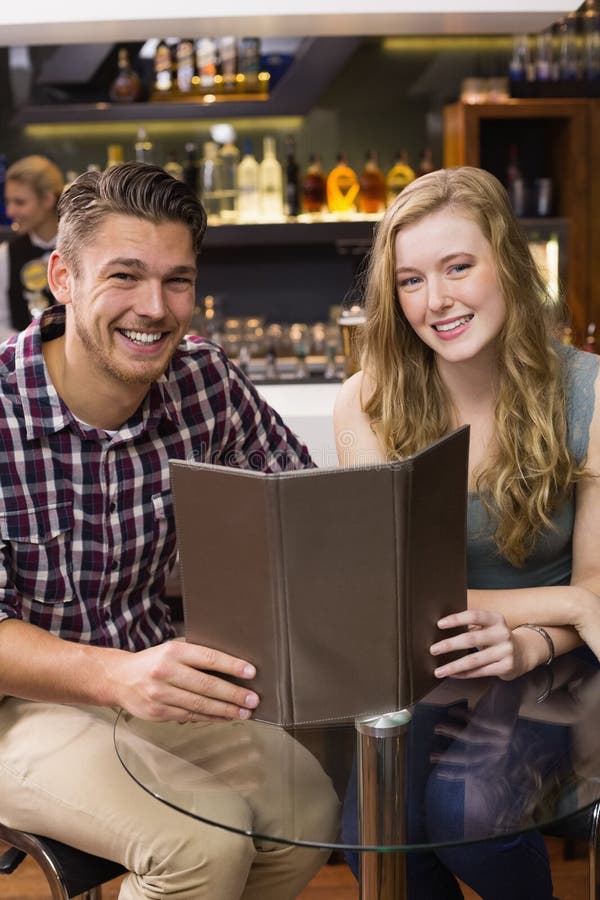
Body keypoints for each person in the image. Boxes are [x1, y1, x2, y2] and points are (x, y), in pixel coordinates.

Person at [0, 161, 339, 900]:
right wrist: (115, 676)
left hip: (152, 674)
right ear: (62, 277)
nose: (155, 308)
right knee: (205, 844)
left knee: (309, 812)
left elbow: (302, 504)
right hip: (15, 706)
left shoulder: (203, 379)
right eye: (124, 276)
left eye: (177, 280)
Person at [334, 165, 600, 898]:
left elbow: (597, 589)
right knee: (374, 841)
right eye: (412, 280)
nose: (436, 300)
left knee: (470, 813)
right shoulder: (368, 402)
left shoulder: (592, 391)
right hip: (438, 657)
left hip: (568, 661)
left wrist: (543, 635)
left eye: (458, 267)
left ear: (508, 265)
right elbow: (393, 592)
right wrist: (567, 605)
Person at [0, 154, 65, 340]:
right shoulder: (5, 254)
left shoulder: (82, 249)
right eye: (8, 201)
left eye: (19, 202)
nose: (10, 211)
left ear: (47, 199)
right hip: (24, 363)